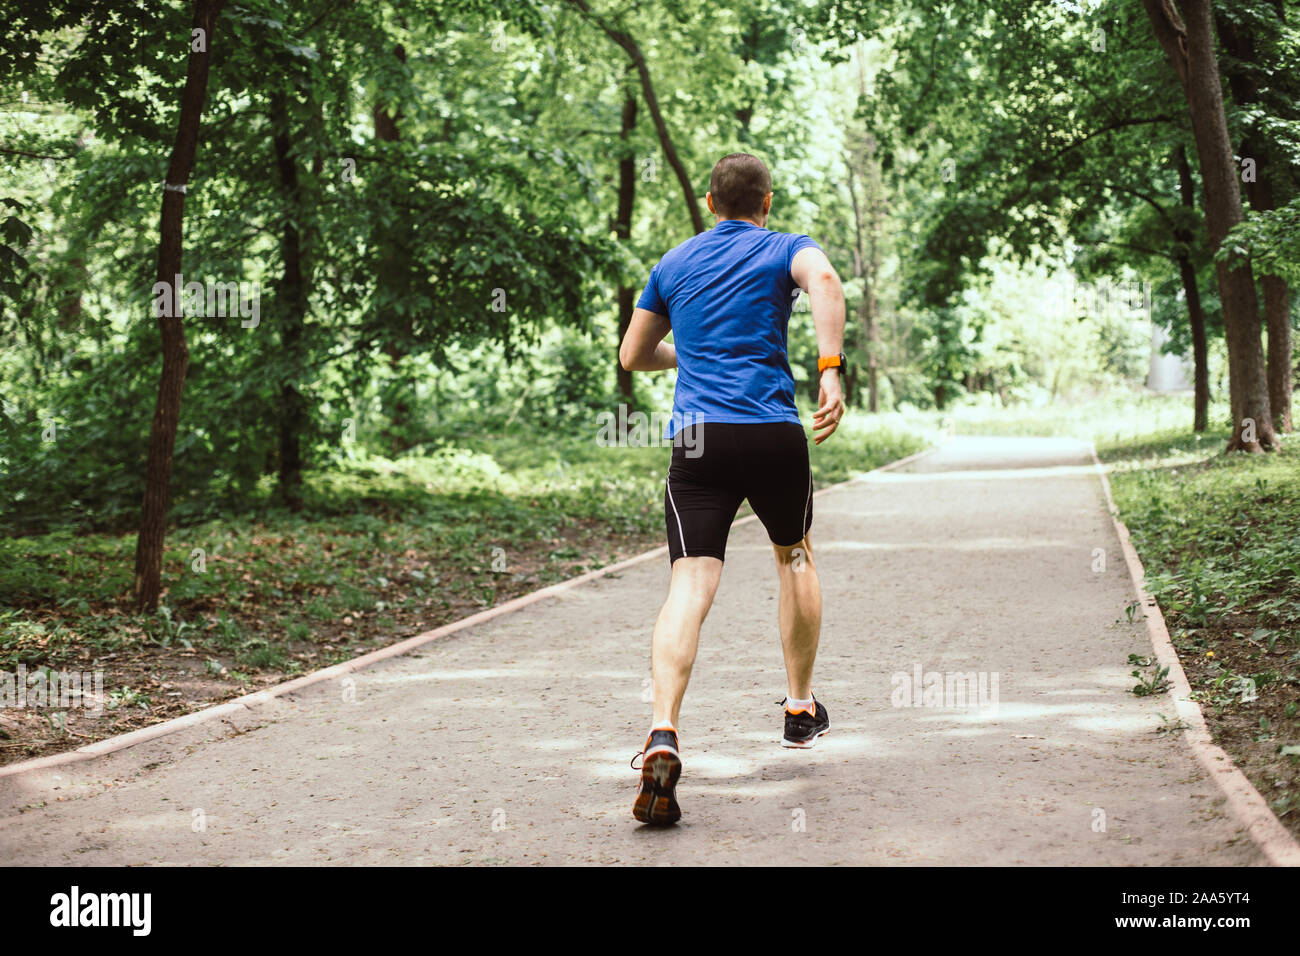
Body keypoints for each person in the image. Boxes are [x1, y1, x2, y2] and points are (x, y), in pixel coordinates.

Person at [618, 152, 847, 825]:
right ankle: (800, 710)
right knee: (795, 556)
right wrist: (829, 369)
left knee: (688, 585)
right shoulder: (786, 249)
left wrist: (686, 351)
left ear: (712, 204)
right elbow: (826, 279)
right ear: (766, 202)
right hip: (773, 432)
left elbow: (633, 355)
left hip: (699, 441)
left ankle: (663, 730)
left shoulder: (673, 263)